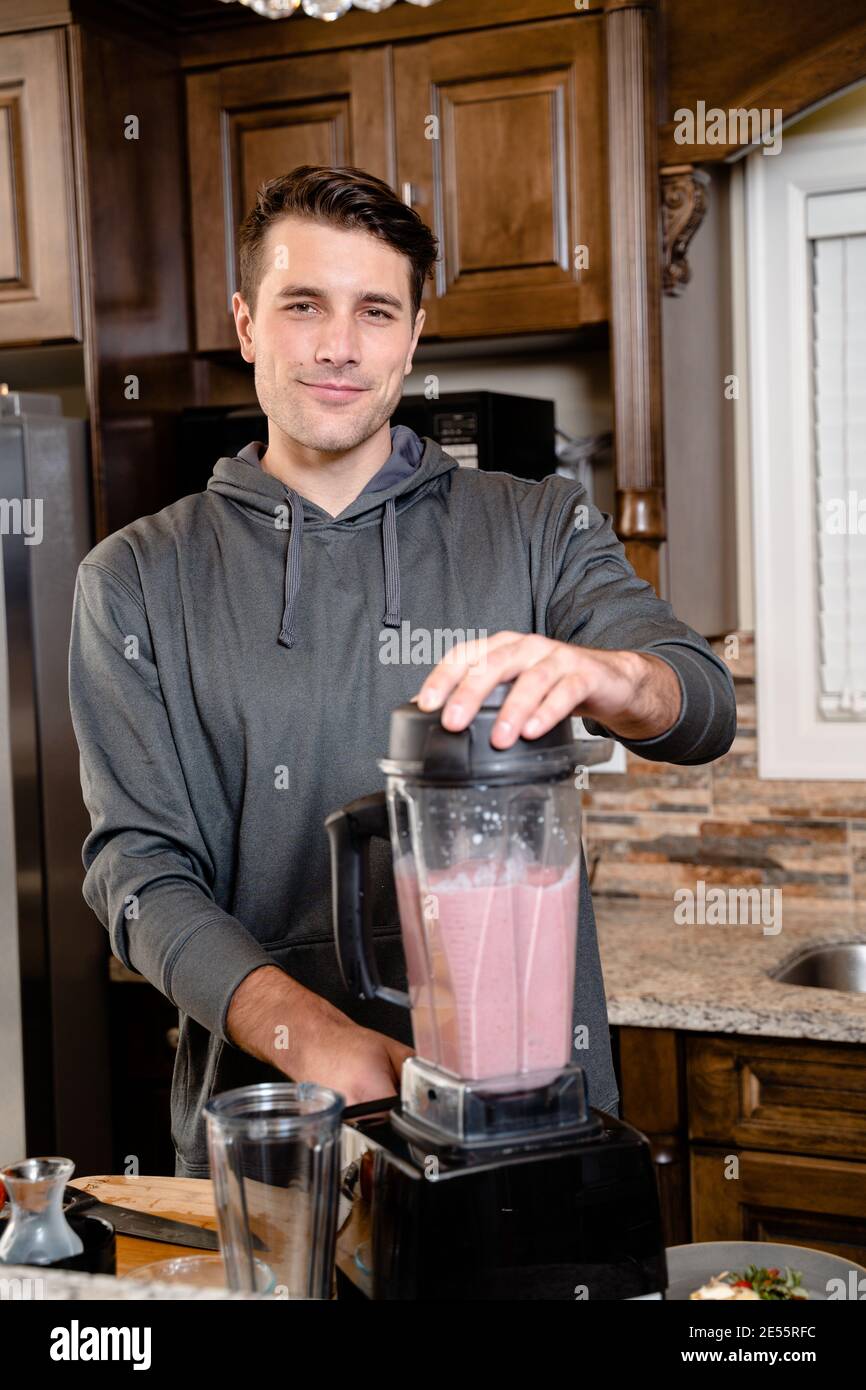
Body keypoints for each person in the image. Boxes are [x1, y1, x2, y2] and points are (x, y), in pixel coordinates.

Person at [68, 165, 736, 1177]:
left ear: (412, 337)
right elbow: (137, 874)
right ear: (247, 323)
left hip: (529, 1125)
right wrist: (314, 1039)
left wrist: (605, 675)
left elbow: (699, 703)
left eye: (374, 311)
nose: (338, 345)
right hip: (275, 1130)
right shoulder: (132, 580)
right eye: (303, 306)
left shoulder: (534, 524)